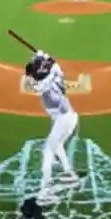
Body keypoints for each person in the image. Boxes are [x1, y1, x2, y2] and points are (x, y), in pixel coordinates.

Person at [24, 51, 79, 205]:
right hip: (70, 117)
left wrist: (42, 59)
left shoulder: (42, 85)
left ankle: (45, 191)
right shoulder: (57, 75)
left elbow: (38, 80)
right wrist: (44, 58)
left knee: (48, 151)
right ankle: (69, 173)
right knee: (58, 145)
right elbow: (53, 68)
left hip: (63, 119)